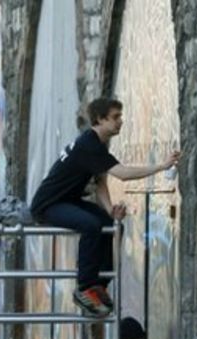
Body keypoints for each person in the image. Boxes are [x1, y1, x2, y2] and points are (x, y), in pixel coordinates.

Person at [29, 97, 180, 317]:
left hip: (67, 201)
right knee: (90, 225)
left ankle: (100, 285)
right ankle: (85, 288)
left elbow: (100, 182)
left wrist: (109, 210)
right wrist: (161, 166)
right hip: (48, 205)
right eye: (115, 117)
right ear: (100, 119)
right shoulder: (89, 144)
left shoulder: (96, 144)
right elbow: (123, 174)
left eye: (121, 117)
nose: (121, 122)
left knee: (109, 223)